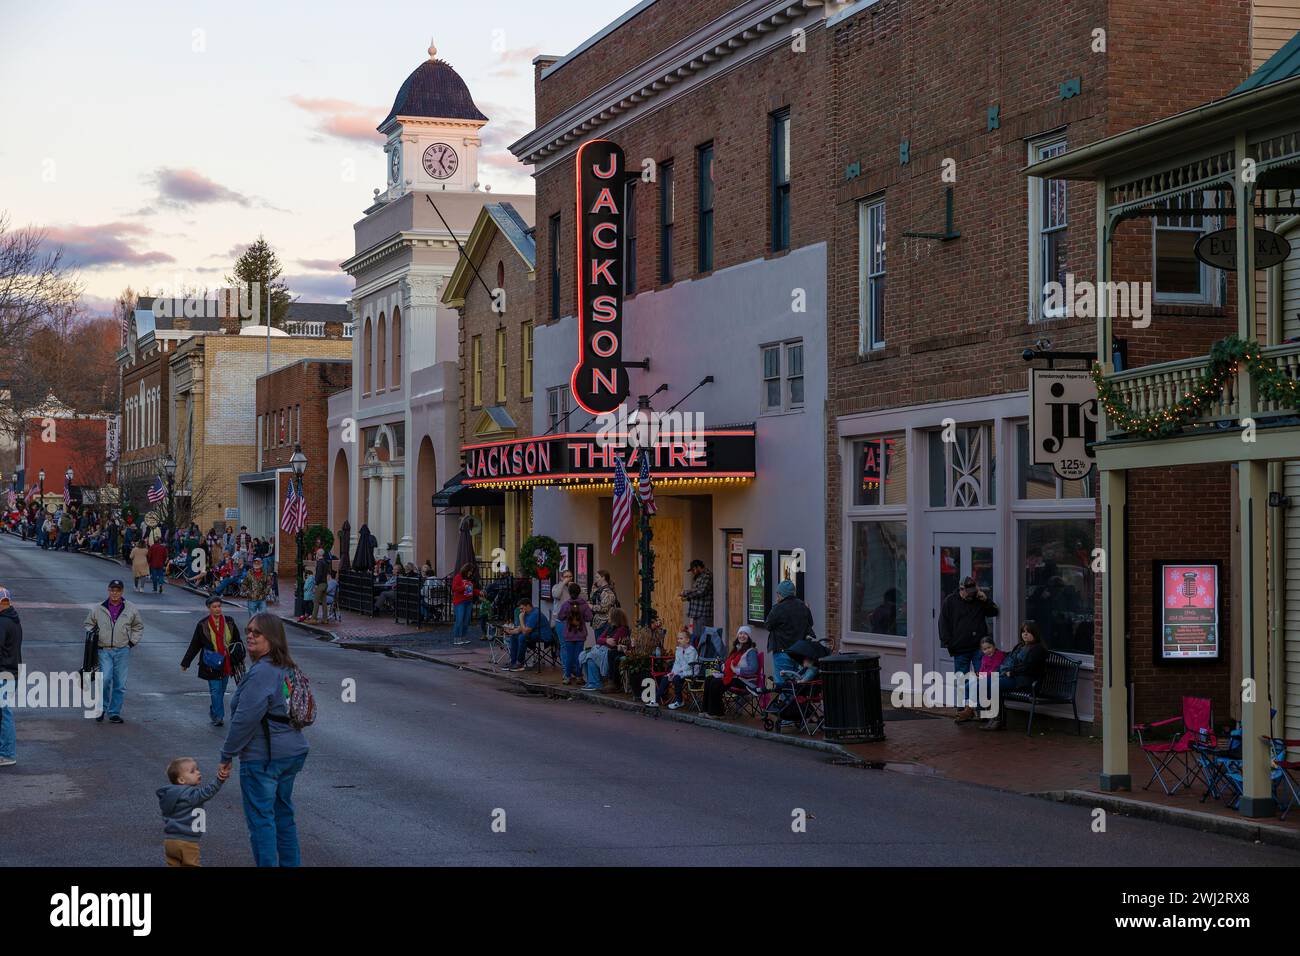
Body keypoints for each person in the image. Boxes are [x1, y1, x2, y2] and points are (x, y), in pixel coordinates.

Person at [218, 613, 309, 867]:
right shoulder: (286, 667)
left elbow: (244, 720)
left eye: (257, 633)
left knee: (261, 822)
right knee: (283, 816)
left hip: (264, 757)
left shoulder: (262, 673)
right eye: (248, 631)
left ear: (272, 637)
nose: (249, 635)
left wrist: (227, 755)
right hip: (291, 752)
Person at [83, 579, 145, 723]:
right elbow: (88, 623)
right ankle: (101, 709)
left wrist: (132, 642)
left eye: (117, 590)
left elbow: (138, 626)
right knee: (104, 680)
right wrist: (96, 634)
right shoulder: (99, 608)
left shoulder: (130, 608)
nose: (115, 593)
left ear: (122, 592)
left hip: (122, 650)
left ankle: (114, 712)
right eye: (112, 590)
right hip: (104, 650)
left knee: (120, 684)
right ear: (108, 591)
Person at [182, 595, 245, 727]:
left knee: (221, 689)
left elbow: (237, 641)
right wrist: (185, 663)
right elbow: (195, 645)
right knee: (215, 690)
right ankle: (219, 717)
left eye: (219, 606)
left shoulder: (229, 622)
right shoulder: (203, 625)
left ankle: (214, 710)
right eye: (214, 607)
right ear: (209, 608)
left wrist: (239, 656)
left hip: (227, 661)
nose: (217, 609)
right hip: (211, 662)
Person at [157, 757, 230, 866]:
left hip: (170, 841)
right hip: (187, 841)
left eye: (197, 769)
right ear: (181, 780)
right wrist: (219, 780)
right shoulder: (190, 795)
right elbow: (208, 792)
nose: (198, 772)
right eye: (192, 771)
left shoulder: (168, 795)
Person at [982, 622, 1048, 731]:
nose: (1025, 634)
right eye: (1023, 632)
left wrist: (1012, 672)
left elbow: (1029, 668)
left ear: (1035, 633)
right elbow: (1010, 659)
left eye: (1028, 632)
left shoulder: (1038, 649)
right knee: (986, 683)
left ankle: (998, 719)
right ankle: (996, 717)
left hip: (1027, 681)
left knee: (993, 685)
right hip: (1014, 677)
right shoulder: (1020, 646)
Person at [939, 575, 999, 679]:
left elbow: (994, 612)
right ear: (961, 589)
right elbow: (943, 623)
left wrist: (985, 600)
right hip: (960, 648)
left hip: (979, 647)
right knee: (962, 682)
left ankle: (980, 696)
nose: (971, 594)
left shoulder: (978, 599)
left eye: (972, 591)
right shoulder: (950, 601)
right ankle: (966, 696)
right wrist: (950, 643)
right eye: (968, 592)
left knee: (983, 679)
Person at [701, 626, 759, 717]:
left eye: (745, 634)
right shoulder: (737, 649)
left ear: (749, 637)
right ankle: (705, 709)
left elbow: (753, 668)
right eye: (740, 633)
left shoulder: (751, 651)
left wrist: (736, 670)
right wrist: (723, 670)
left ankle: (717, 713)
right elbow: (729, 664)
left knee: (716, 683)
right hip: (734, 677)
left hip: (745, 680)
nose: (742, 636)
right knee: (709, 679)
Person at [956, 636, 1006, 724]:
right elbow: (982, 669)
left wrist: (982, 677)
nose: (987, 651)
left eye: (989, 647)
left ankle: (977, 710)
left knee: (977, 686)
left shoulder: (999, 655)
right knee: (968, 685)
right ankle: (968, 708)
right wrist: (979, 675)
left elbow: (995, 669)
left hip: (994, 678)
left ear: (994, 646)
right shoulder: (984, 657)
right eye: (985, 649)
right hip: (985, 677)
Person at [764, 578, 814, 655]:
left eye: (778, 594)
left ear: (781, 594)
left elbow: (768, 625)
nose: (777, 596)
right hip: (799, 650)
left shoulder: (778, 608)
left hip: (782, 651)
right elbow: (810, 623)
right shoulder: (803, 606)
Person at [500, 596, 551, 671]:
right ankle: (513, 662)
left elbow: (525, 631)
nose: (521, 611)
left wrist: (521, 618)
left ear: (528, 606)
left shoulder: (534, 614)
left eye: (522, 608)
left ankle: (520, 663)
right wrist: (509, 631)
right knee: (514, 636)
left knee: (522, 637)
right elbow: (521, 628)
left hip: (543, 635)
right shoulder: (527, 613)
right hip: (533, 633)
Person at [0, 588, 21, 767]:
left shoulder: (2, 622)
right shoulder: (14, 620)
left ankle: (7, 754)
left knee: (4, 713)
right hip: (12, 672)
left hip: (3, 673)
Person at [556, 583, 592, 685]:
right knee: (579, 656)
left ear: (569, 593)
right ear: (579, 592)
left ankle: (567, 676)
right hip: (580, 633)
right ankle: (579, 677)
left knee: (569, 656)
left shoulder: (566, 605)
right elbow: (589, 618)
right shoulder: (584, 605)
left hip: (569, 633)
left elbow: (560, 617)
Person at [656, 629, 697, 710]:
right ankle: (656, 699)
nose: (679, 640)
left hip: (690, 671)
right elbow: (677, 663)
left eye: (681, 639)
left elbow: (689, 665)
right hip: (679, 672)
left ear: (687, 640)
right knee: (666, 677)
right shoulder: (679, 650)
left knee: (676, 678)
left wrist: (677, 673)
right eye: (678, 638)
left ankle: (679, 701)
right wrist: (673, 672)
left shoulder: (692, 651)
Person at [679, 559, 713, 647]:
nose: (693, 573)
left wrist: (686, 593)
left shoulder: (707, 576)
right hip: (696, 612)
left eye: (693, 570)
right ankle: (697, 655)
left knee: (703, 637)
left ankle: (702, 657)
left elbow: (701, 591)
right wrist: (687, 598)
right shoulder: (699, 577)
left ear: (698, 567)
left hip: (703, 612)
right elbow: (696, 594)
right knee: (696, 636)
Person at [451, 563, 477, 643]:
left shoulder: (469, 579)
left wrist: (479, 592)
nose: (470, 573)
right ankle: (457, 638)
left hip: (468, 601)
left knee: (466, 621)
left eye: (471, 572)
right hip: (460, 602)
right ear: (466, 570)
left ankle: (463, 637)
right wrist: (463, 587)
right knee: (459, 620)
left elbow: (472, 589)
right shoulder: (458, 577)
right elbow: (454, 588)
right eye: (470, 571)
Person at [589, 570, 618, 641]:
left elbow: (604, 608)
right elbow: (592, 600)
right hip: (599, 623)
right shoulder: (599, 590)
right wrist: (593, 590)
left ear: (603, 578)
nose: (596, 580)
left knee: (602, 646)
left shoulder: (607, 592)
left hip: (605, 623)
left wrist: (591, 607)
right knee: (599, 645)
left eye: (597, 577)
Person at [312, 548, 330, 625]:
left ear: (318, 554)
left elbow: (318, 574)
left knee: (316, 601)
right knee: (324, 602)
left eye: (316, 554)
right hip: (325, 583)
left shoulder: (319, 563)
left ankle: (314, 618)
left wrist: (316, 583)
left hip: (320, 584)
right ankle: (325, 618)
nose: (316, 555)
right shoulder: (325, 562)